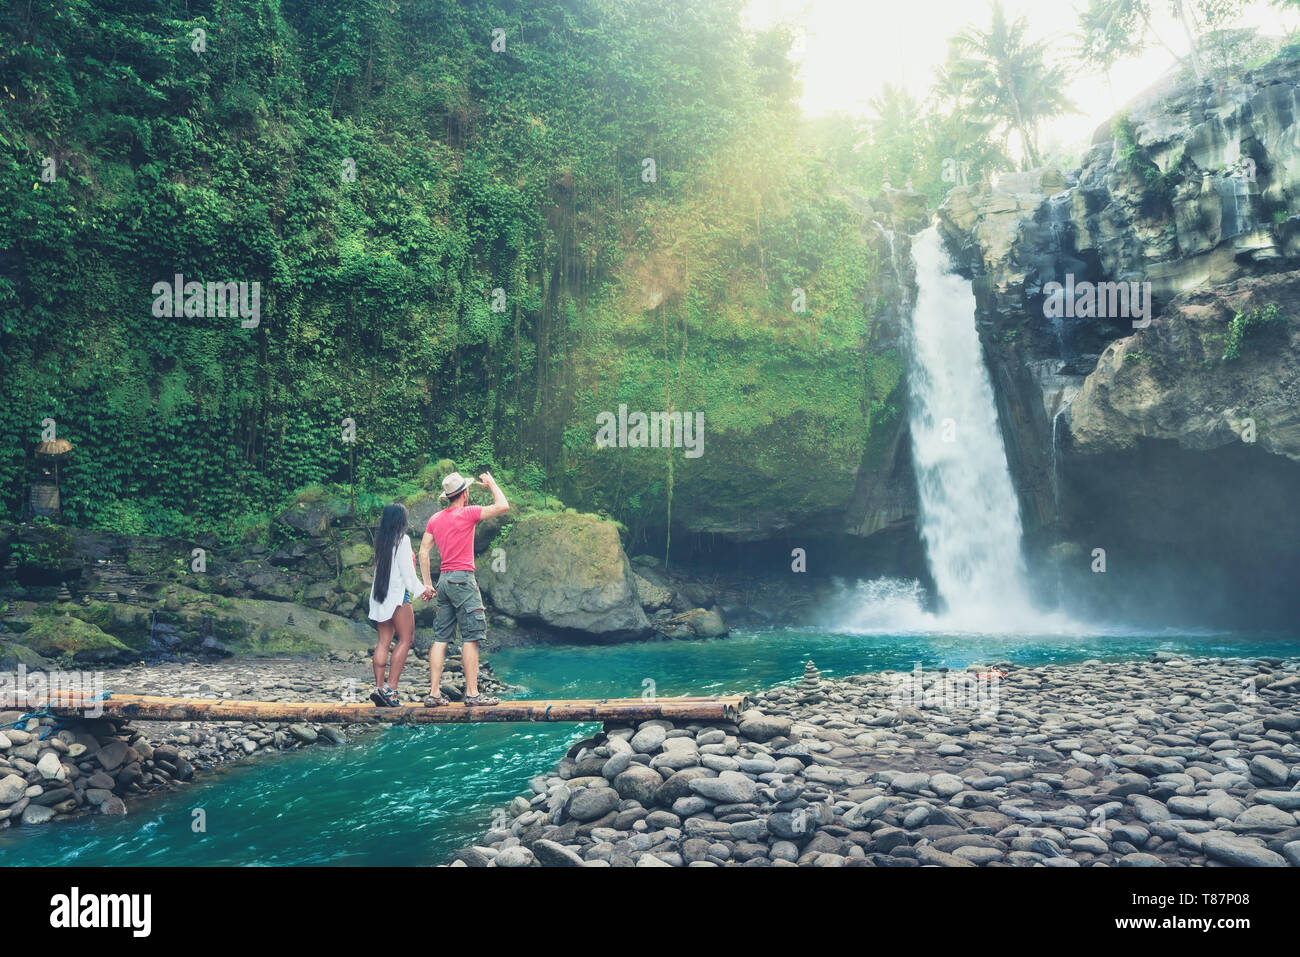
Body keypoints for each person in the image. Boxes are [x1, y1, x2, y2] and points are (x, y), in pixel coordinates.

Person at [419, 471, 509, 707]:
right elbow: (503, 506)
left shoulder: (435, 518)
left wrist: (427, 583)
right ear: (465, 493)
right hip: (463, 580)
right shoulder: (468, 513)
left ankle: (434, 694)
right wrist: (492, 484)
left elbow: (423, 552)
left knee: (441, 638)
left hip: (444, 581)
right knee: (471, 637)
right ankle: (472, 694)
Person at [367, 504, 433, 706]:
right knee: (406, 639)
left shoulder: (382, 541)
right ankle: (391, 689)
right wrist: (423, 590)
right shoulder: (402, 540)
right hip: (398, 596)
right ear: (400, 521)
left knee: (383, 642)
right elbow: (407, 573)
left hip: (380, 595)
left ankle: (379, 689)